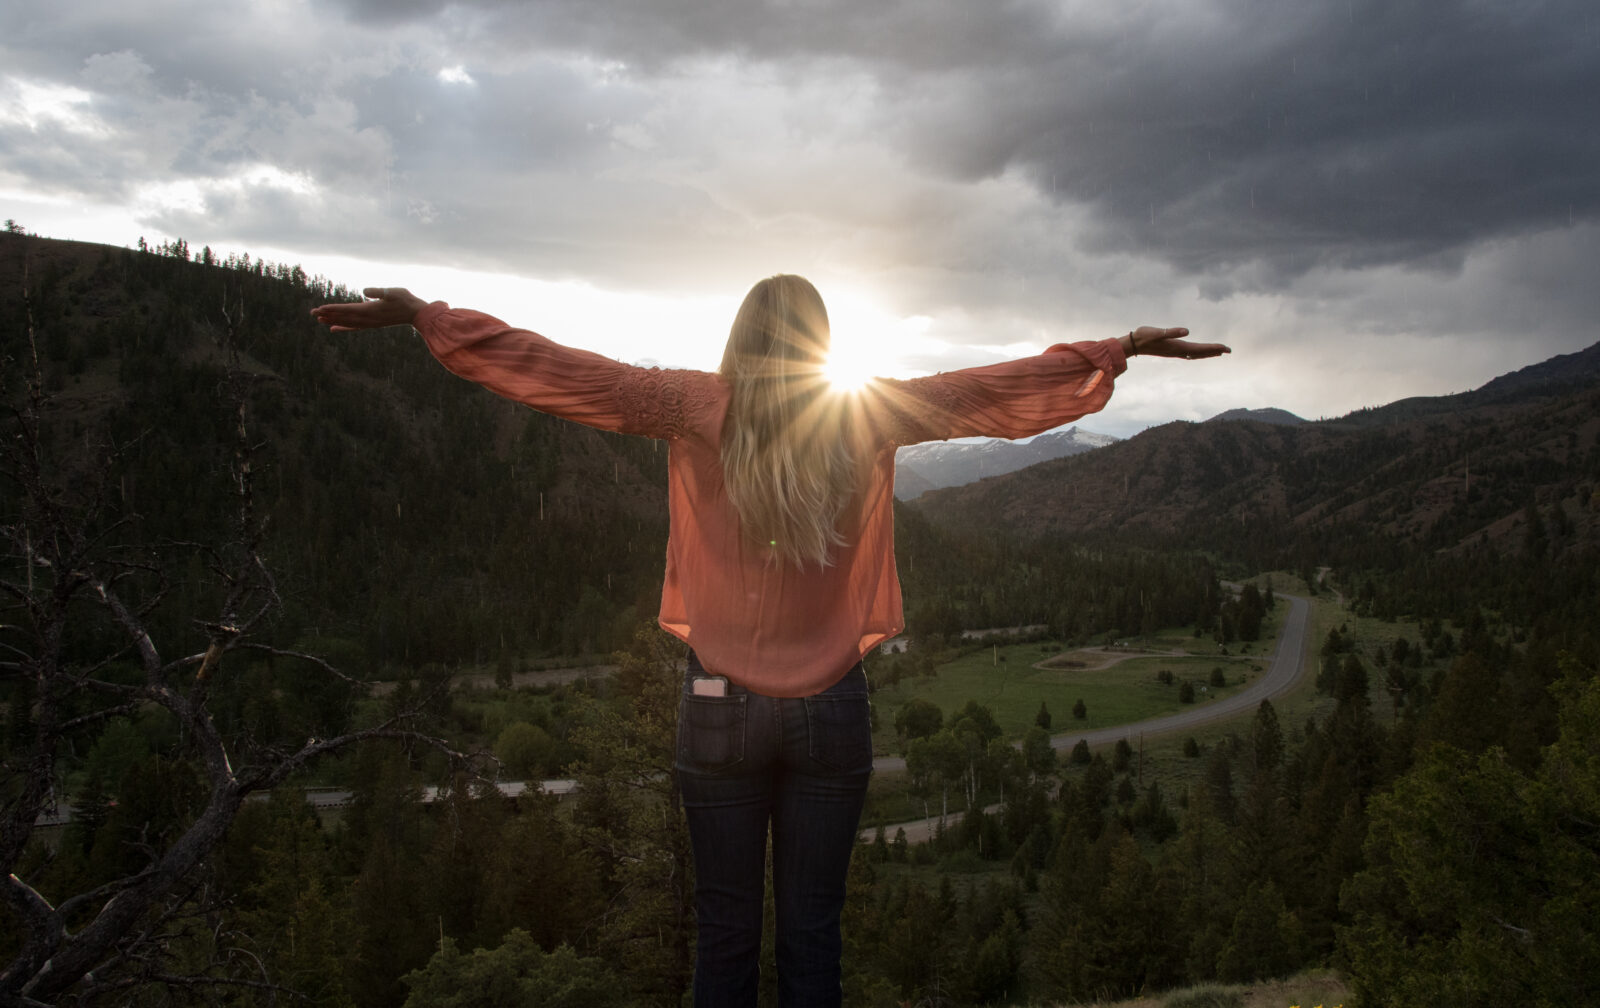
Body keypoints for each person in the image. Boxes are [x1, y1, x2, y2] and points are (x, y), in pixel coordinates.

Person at [312, 277, 1228, 1006]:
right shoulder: (871, 411)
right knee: (813, 937)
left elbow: (552, 368)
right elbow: (994, 390)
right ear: (821, 345)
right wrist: (1121, 347)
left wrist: (428, 317)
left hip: (717, 708)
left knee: (723, 936)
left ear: (740, 336)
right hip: (833, 708)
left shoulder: (685, 402)